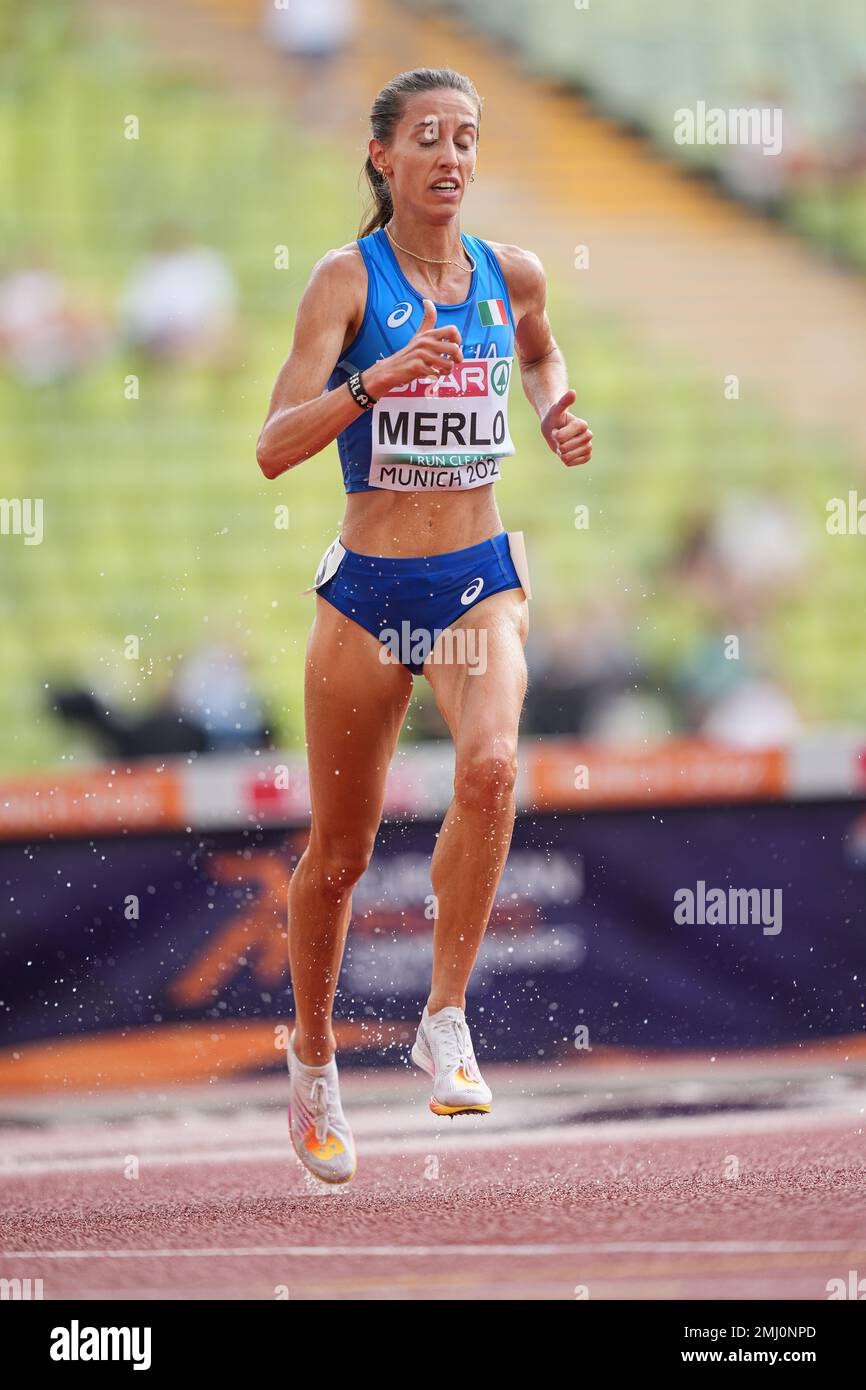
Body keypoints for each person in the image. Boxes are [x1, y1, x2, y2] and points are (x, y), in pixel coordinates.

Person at [256, 67, 592, 1184]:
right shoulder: (345, 281)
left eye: (467, 139)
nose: (450, 156)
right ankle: (311, 1065)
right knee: (340, 856)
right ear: (382, 160)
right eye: (427, 139)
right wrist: (374, 382)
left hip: (473, 584)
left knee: (491, 769)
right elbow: (270, 444)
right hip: (365, 597)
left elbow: (538, 348)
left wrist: (552, 408)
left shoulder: (513, 273)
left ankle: (443, 1019)